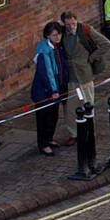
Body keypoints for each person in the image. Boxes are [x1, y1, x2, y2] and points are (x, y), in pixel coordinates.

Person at [32, 21, 67, 156]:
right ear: (48, 36)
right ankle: (43, 144)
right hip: (44, 91)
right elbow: (47, 72)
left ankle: (49, 138)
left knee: (53, 116)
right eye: (54, 35)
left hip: (56, 87)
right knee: (43, 118)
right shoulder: (43, 50)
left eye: (59, 34)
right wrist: (54, 90)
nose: (58, 37)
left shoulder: (57, 47)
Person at [59, 11, 105, 107]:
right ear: (63, 23)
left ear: (76, 20)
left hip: (85, 74)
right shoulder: (62, 33)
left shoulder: (85, 30)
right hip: (71, 76)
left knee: (88, 103)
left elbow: (106, 44)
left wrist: (91, 58)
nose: (71, 27)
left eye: (73, 24)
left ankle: (89, 121)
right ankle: (73, 122)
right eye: (68, 24)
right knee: (72, 105)